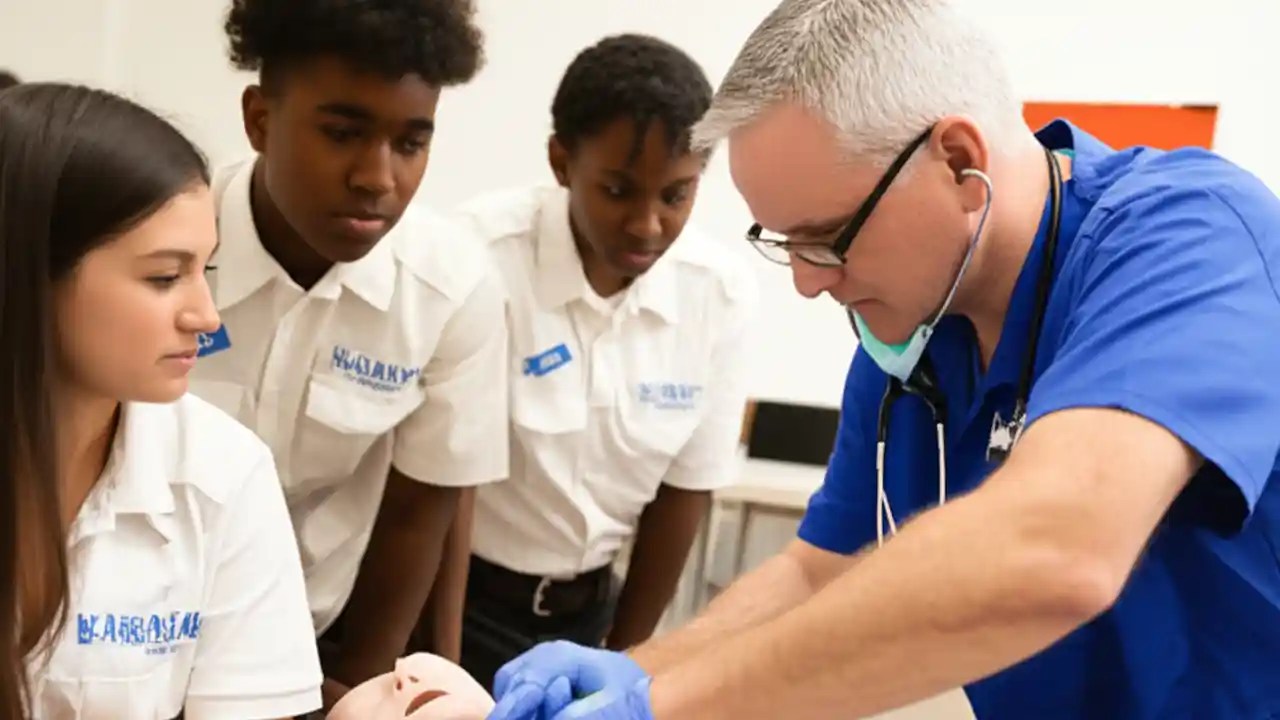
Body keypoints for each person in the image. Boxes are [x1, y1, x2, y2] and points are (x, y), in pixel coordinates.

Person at [487, 1, 1280, 718]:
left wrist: (667, 709)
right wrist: (628, 674)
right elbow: (815, 572)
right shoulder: (912, 335)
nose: (805, 284)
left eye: (826, 238)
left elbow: (1058, 550)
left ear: (961, 162)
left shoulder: (1185, 234)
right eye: (784, 244)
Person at [189, 0, 507, 708]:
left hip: (311, 638)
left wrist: (361, 691)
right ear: (260, 119)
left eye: (410, 142)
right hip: (136, 633)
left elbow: (419, 509)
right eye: (342, 132)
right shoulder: (166, 241)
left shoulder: (449, 289)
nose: (377, 177)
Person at [0, 83, 322, 720]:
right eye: (164, 277)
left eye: (209, 270)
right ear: (30, 271)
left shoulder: (222, 475)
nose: (205, 315)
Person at [450, 34, 755, 690]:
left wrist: (627, 659)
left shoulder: (716, 293)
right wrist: (441, 664)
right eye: (618, 190)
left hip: (595, 614)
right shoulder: (477, 257)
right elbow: (442, 480)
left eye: (676, 195)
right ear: (562, 162)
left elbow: (685, 490)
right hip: (458, 602)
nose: (648, 224)